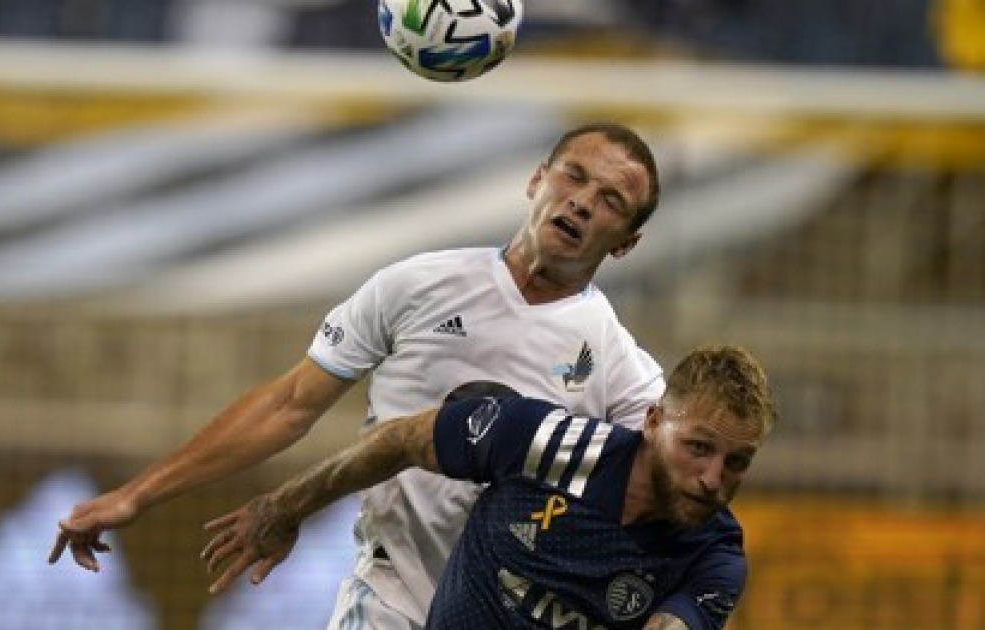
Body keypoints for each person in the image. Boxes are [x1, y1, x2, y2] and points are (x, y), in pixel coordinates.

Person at [48, 122, 665, 628]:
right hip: (391, 594)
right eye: (573, 176)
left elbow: (680, 498)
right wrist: (136, 494)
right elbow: (289, 404)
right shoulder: (417, 285)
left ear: (626, 243)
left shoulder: (622, 369)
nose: (582, 202)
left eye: (611, 201)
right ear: (536, 180)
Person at [201, 346, 777, 630]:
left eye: (738, 463)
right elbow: (401, 439)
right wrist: (285, 506)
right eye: (698, 448)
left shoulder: (715, 558)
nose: (713, 479)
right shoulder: (543, 440)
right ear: (652, 423)